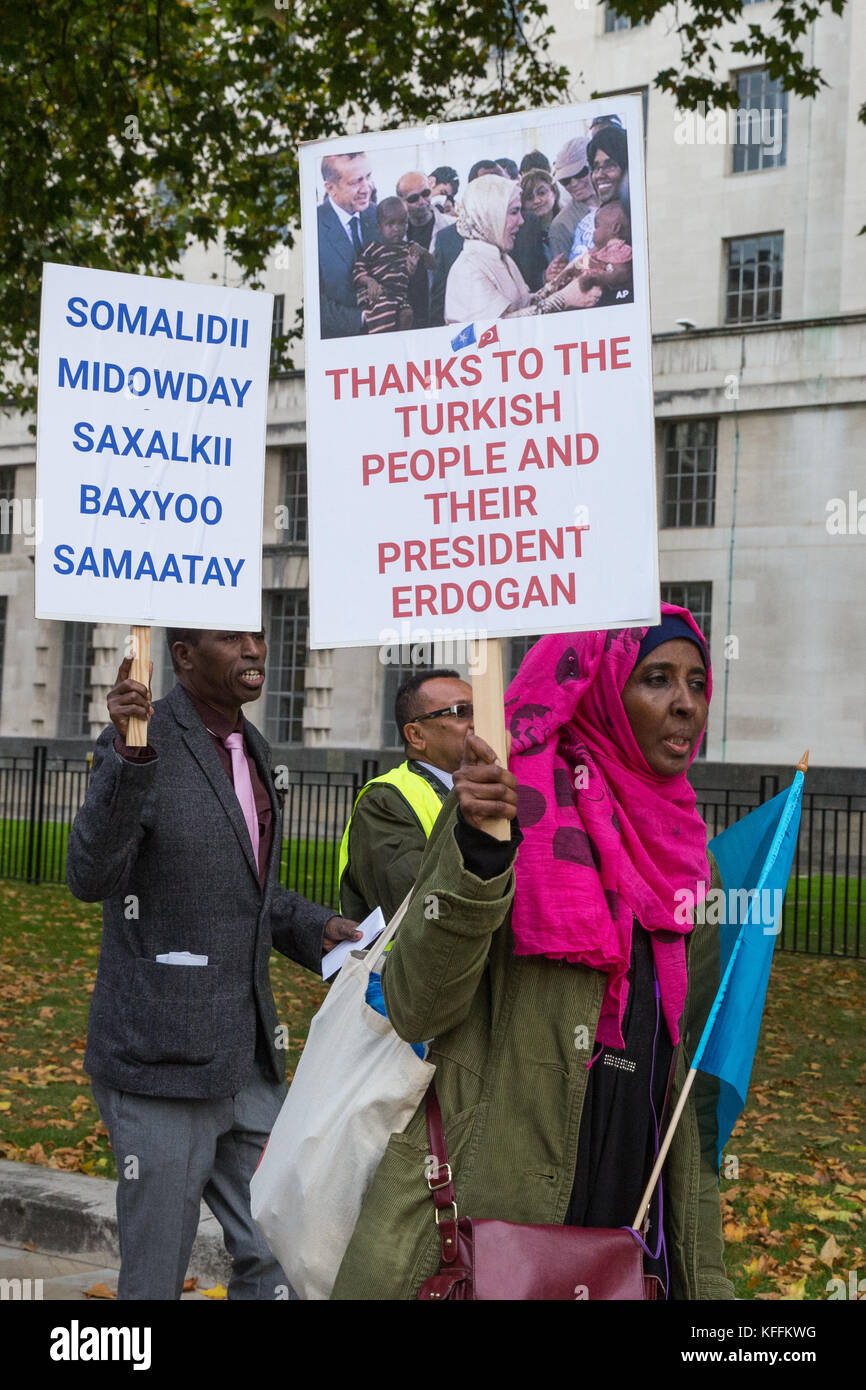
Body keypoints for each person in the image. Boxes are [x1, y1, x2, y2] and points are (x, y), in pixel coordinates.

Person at [331, 606, 736, 1300]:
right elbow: (418, 1001)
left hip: (626, 1213)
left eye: (697, 682)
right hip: (487, 1217)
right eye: (658, 679)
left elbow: (684, 1086)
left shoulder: (692, 862)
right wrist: (481, 853)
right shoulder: (511, 810)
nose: (685, 704)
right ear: (604, 694)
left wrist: (708, 1283)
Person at [67, 629, 361, 1300]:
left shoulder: (248, 747)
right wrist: (125, 754)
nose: (256, 650)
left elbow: (248, 891)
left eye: (261, 636)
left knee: (283, 1245)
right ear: (184, 656)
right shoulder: (142, 738)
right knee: (155, 1276)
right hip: (159, 1065)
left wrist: (319, 929)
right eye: (233, 640)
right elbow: (89, 875)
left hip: (246, 1060)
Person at [338, 670, 473, 925]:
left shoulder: (497, 789)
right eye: (461, 712)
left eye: (483, 711)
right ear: (416, 735)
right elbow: (423, 911)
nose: (479, 722)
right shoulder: (384, 801)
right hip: (418, 964)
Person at [444, 175, 532, 324]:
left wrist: (558, 283)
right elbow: (497, 330)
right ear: (488, 215)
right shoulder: (467, 269)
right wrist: (562, 298)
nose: (521, 220)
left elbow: (524, 306)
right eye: (513, 212)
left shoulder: (501, 257)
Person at [429, 161, 505, 325]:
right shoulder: (448, 238)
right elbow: (439, 303)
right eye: (486, 185)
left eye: (500, 184)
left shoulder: (521, 226)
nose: (495, 190)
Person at [316, 151, 378, 338]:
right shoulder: (313, 227)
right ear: (330, 188)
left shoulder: (380, 216)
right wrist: (361, 319)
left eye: (368, 177)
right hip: (339, 344)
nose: (366, 188)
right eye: (355, 182)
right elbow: (313, 302)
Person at [351, 197, 433, 333]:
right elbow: (358, 270)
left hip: (399, 296)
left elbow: (432, 264)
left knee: (407, 313)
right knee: (385, 314)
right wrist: (370, 281)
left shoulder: (408, 247)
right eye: (390, 224)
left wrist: (423, 252)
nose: (397, 229)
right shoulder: (373, 248)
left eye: (402, 223)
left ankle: (398, 340)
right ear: (379, 227)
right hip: (379, 294)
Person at [395, 170, 455, 327]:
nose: (422, 201)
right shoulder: (394, 236)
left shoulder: (452, 227)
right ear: (401, 201)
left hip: (442, 315)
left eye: (426, 194)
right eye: (414, 198)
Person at [568, 125, 630, 261]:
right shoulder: (587, 226)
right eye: (596, 167)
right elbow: (579, 270)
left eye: (610, 165)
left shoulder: (643, 215)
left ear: (627, 167)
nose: (599, 175)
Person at [511, 169, 562, 290]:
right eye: (529, 198)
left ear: (554, 191)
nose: (537, 201)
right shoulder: (521, 235)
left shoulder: (567, 221)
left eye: (542, 193)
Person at [548, 135, 595, 261]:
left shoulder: (621, 200)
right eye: (566, 180)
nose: (574, 183)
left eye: (580, 173)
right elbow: (563, 274)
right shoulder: (561, 225)